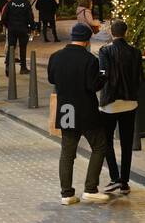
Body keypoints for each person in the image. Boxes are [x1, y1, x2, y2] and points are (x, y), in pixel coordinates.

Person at [47, 22, 110, 205]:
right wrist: (103, 77)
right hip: (86, 110)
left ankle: (66, 194)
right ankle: (90, 189)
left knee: (67, 152)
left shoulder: (55, 57)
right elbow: (93, 85)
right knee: (99, 146)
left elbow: (52, 78)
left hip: (66, 110)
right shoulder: (90, 60)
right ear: (87, 39)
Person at [98, 20, 143, 195]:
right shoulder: (135, 52)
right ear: (126, 32)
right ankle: (124, 181)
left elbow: (103, 73)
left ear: (111, 32)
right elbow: (140, 76)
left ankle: (114, 177)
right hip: (130, 101)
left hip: (110, 102)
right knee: (126, 143)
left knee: (107, 140)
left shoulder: (105, 51)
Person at [1, 0, 33, 72]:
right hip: (23, 28)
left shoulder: (10, 3)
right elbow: (30, 17)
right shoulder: (26, 3)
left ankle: (8, 65)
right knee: (22, 48)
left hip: (12, 28)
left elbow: (3, 17)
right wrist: (31, 28)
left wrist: (8, 25)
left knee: (11, 47)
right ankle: (23, 67)